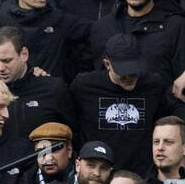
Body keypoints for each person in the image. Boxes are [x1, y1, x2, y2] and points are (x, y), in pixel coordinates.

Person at [70, 33, 170, 172]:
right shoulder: (84, 86)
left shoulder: (154, 86)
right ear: (107, 64)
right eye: (123, 73)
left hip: (140, 174)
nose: (129, 77)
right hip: (98, 173)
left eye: (134, 71)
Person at [0, 0, 95, 79]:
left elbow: (98, 30)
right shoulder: (0, 20)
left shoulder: (58, 19)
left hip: (52, 93)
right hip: (12, 92)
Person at [26, 140, 115, 184]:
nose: (97, 173)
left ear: (110, 172)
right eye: (91, 165)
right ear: (77, 165)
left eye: (104, 168)